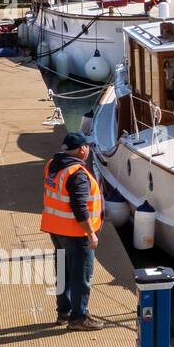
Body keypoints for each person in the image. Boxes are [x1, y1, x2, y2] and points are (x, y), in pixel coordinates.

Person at [42, 132, 106, 330]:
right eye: (86, 147)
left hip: (56, 229)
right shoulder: (77, 173)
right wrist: (91, 233)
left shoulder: (53, 164)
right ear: (82, 149)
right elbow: (79, 206)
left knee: (63, 272)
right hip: (76, 233)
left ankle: (64, 312)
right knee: (81, 276)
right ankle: (78, 317)